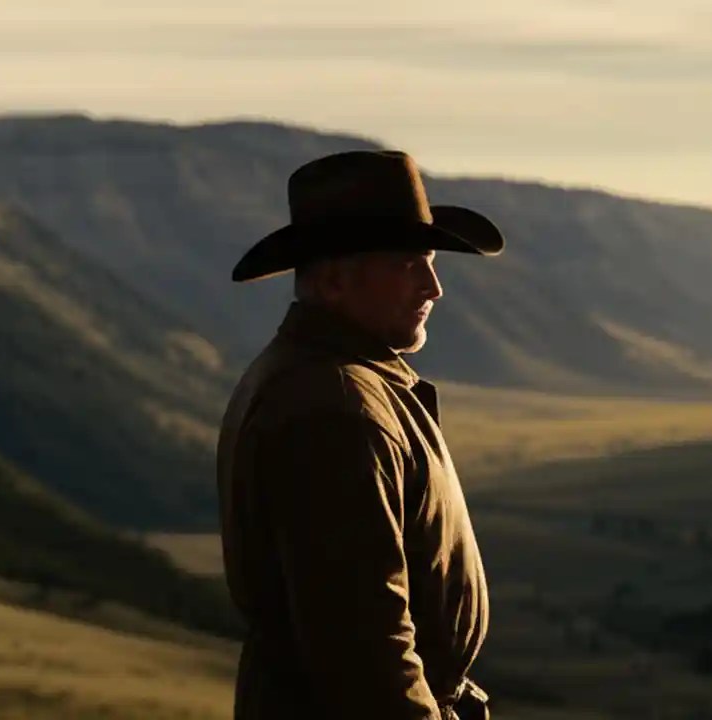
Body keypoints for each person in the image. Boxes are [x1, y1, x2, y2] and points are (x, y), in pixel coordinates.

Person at [216, 150, 504, 720]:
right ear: (334, 280)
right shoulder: (336, 408)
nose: (434, 287)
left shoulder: (331, 383)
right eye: (408, 264)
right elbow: (368, 655)